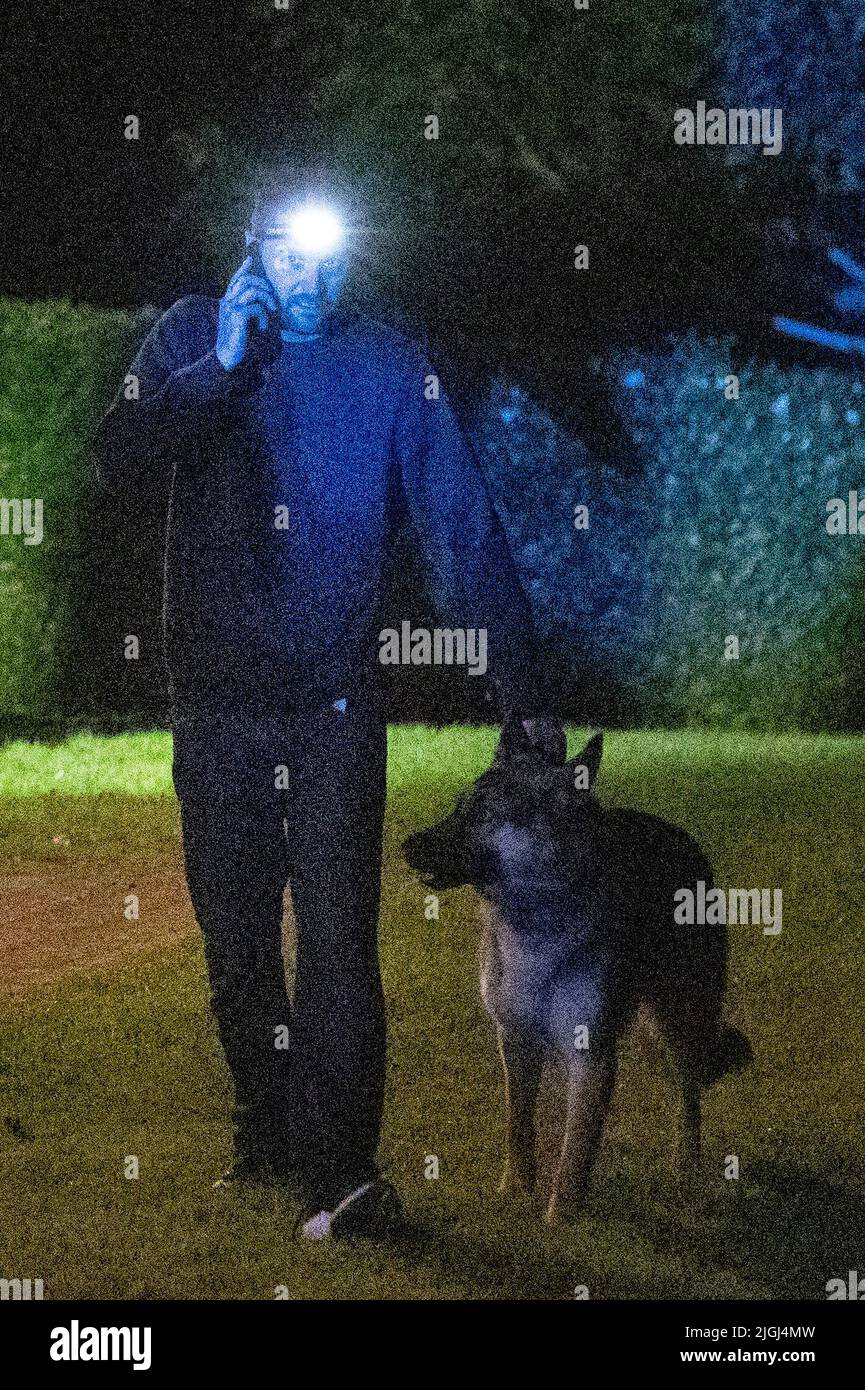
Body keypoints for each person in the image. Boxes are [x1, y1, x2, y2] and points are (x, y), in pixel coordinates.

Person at [94, 161, 564, 1241]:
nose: (313, 274)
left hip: (335, 707)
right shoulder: (188, 334)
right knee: (238, 943)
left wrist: (522, 689)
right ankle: (267, 1133)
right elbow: (117, 455)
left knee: (341, 942)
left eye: (332, 249)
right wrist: (218, 368)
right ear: (253, 247)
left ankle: (343, 1174)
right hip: (214, 705)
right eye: (290, 251)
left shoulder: (391, 364)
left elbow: (460, 526)